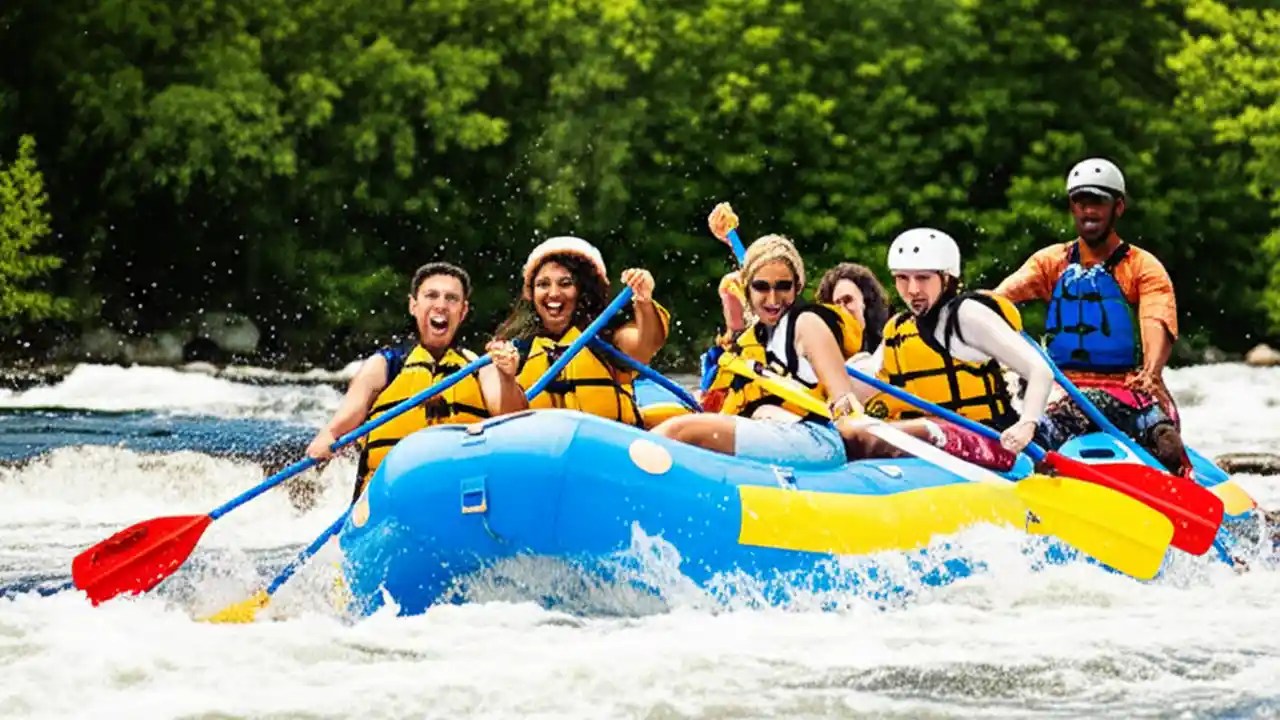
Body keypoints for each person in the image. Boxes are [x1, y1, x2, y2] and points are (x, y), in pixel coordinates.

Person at [993, 158, 1188, 473]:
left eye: (1098, 202)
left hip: (1131, 388)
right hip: (1062, 387)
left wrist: (1151, 373)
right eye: (1081, 202)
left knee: (1167, 445)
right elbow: (997, 301)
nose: (1089, 210)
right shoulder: (1050, 262)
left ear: (1118, 207)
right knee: (1033, 439)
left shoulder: (1142, 267)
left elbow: (1157, 320)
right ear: (1072, 207)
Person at [652, 204, 864, 468]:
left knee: (681, 432)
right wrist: (729, 239)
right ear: (748, 290)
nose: (773, 299)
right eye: (761, 287)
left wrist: (849, 413)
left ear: (798, 286)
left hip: (813, 439)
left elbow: (844, 397)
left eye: (783, 287)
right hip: (771, 430)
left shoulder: (807, 324)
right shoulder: (757, 333)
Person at [838, 228, 1056, 471]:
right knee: (846, 430)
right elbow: (866, 382)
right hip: (939, 432)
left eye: (923, 278)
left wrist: (1027, 424)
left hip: (991, 439)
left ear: (947, 278)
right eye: (902, 278)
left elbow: (1040, 370)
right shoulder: (899, 328)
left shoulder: (966, 315)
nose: (912, 290)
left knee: (863, 435)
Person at [306, 262, 526, 502]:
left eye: (451, 299)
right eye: (431, 295)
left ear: (463, 312)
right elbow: (338, 428)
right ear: (414, 305)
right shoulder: (384, 365)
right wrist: (326, 439)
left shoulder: (480, 367)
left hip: (459, 497)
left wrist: (507, 377)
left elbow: (513, 420)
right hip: (390, 498)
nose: (441, 305)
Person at [494, 236, 670, 426]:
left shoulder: (607, 339)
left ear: (583, 290)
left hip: (608, 445)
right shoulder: (516, 348)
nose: (553, 293)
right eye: (543, 284)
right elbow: (506, 422)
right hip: (541, 448)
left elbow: (646, 346)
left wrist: (644, 301)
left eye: (565, 283)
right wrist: (506, 378)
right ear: (532, 293)